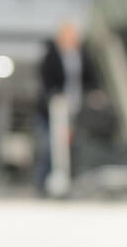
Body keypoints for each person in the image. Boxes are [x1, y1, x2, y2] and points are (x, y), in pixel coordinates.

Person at [33, 19, 101, 196]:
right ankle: (42, 185)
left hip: (75, 109)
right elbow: (46, 81)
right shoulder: (51, 55)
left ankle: (70, 184)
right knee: (48, 148)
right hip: (52, 111)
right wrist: (54, 96)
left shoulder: (83, 55)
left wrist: (94, 93)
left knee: (72, 147)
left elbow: (91, 78)